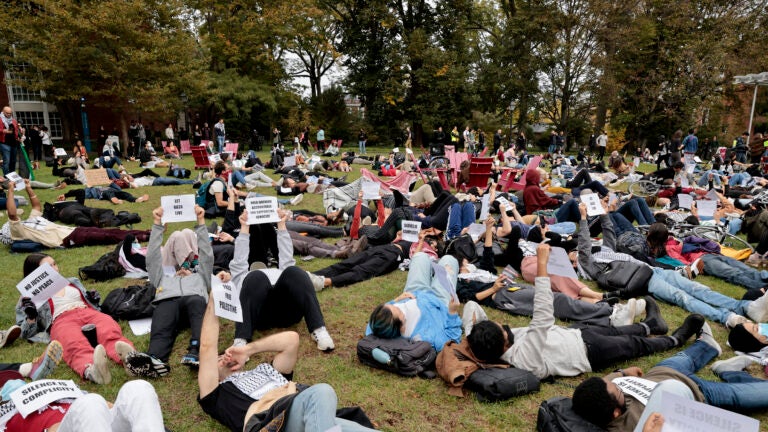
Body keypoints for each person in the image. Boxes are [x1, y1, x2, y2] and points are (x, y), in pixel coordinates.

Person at [465, 243, 705, 380]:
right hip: (588, 353)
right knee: (634, 345)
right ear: (504, 342)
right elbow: (542, 314)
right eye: (500, 328)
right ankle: (676, 339)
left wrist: (471, 336)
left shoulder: (490, 344)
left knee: (618, 331)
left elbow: (471, 307)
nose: (501, 325)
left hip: (575, 334)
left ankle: (651, 325)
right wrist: (541, 265)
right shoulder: (523, 357)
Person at [198, 290, 379, 432]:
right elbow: (207, 347)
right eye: (219, 359)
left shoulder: (264, 371)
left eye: (225, 355)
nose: (225, 358)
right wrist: (214, 300)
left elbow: (291, 340)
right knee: (322, 392)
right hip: (271, 423)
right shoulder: (217, 394)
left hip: (306, 414)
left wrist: (247, 350)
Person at [571, 332, 768, 432]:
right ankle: (730, 372)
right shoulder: (632, 427)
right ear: (614, 412)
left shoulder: (602, 393)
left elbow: (607, 382)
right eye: (618, 390)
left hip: (665, 370)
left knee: (697, 350)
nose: (617, 383)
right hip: (700, 392)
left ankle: (708, 347)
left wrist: (622, 373)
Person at [220, 209, 335, 352]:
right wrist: (244, 227)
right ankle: (241, 340)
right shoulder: (245, 276)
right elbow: (239, 260)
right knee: (255, 276)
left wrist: (281, 226)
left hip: (288, 313)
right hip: (259, 316)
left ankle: (319, 329)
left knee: (295, 271)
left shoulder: (280, 271)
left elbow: (287, 258)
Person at [14, 254, 136, 384]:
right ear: (35, 274)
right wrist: (31, 317)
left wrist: (93, 299)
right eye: (48, 267)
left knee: (108, 330)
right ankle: (93, 371)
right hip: (61, 320)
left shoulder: (71, 281)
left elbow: (92, 304)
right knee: (74, 344)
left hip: (86, 311)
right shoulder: (28, 298)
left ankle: (132, 361)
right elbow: (24, 332)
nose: (54, 269)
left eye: (54, 264)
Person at [124, 205, 212, 377]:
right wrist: (157, 224)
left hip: (194, 302)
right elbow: (152, 259)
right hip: (169, 301)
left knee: (196, 301)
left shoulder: (201, 276)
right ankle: (155, 359)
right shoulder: (164, 278)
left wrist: (201, 222)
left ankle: (196, 349)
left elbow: (207, 256)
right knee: (163, 310)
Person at [367, 252, 462, 352]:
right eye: (398, 310)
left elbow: (371, 327)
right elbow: (452, 341)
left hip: (414, 293)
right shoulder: (426, 336)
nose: (397, 306)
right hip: (439, 302)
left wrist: (395, 300)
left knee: (419, 256)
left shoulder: (378, 325)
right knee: (449, 259)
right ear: (401, 327)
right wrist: (452, 313)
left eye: (393, 306)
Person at [0, 378, 166, 432]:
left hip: (98, 424)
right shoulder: (7, 419)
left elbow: (108, 406)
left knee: (137, 387)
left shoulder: (63, 395)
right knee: (90, 402)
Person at [0, 106, 20, 175]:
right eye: (7, 113)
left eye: (10, 113)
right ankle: (6, 177)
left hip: (13, 143)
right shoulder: (0, 119)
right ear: (3, 112)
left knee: (13, 161)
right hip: (4, 143)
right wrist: (3, 131)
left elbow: (16, 130)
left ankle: (12, 176)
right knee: (7, 161)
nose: (9, 114)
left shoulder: (13, 120)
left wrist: (19, 135)